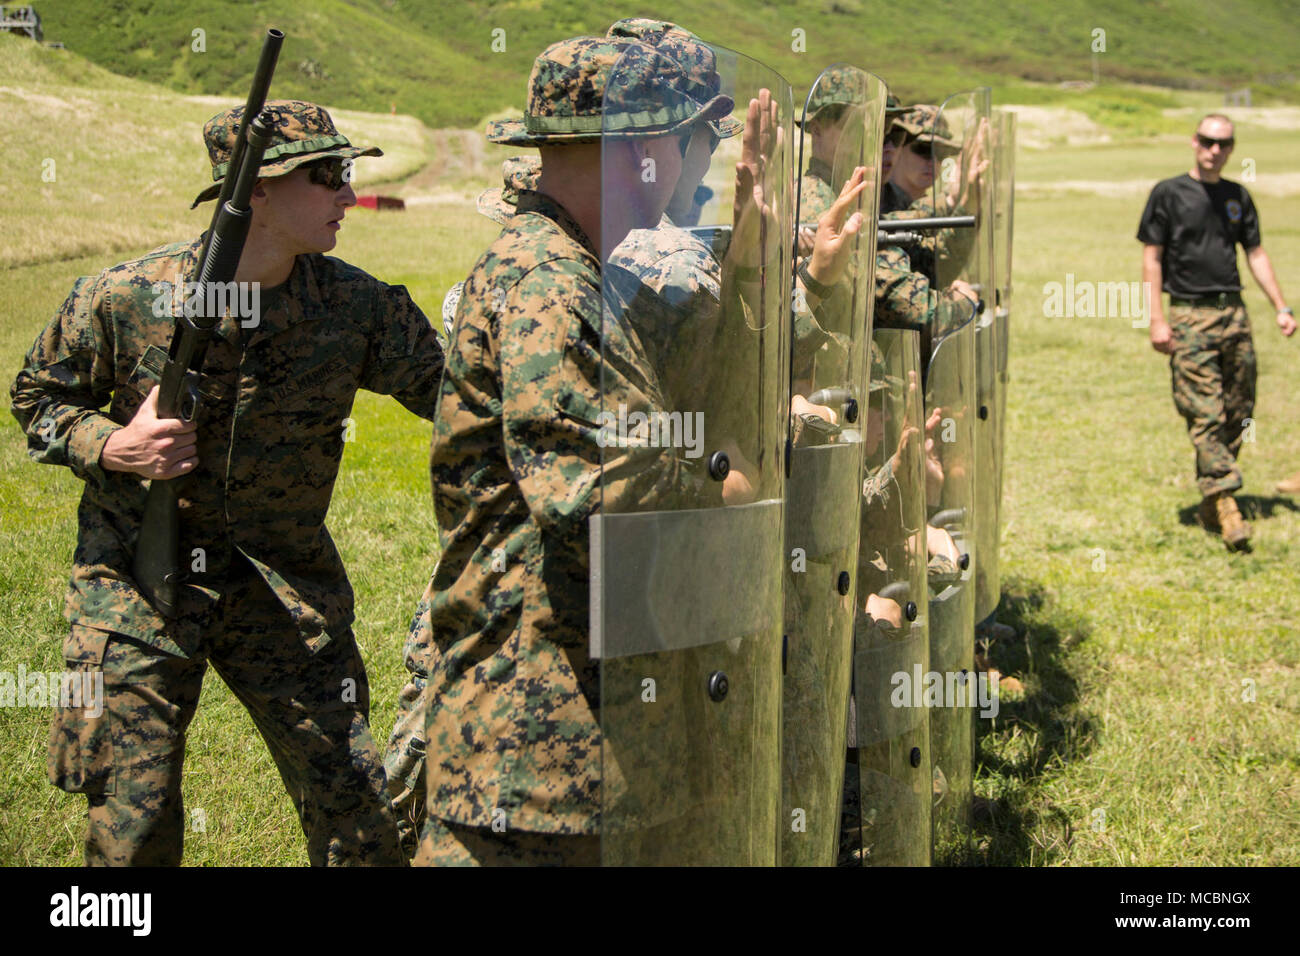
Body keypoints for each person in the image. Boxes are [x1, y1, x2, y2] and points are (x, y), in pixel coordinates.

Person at [10, 99, 445, 866]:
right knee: (132, 827)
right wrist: (115, 445)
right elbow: (36, 394)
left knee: (356, 808)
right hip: (140, 588)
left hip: (281, 587)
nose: (349, 195)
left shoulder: (355, 306)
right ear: (259, 194)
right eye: (328, 175)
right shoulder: (126, 298)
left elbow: (458, 396)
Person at [1139, 112, 1295, 548]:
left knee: (1240, 411)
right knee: (1204, 413)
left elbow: (1256, 254)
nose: (1215, 150)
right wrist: (1156, 318)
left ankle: (1211, 496)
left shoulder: (1237, 196)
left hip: (1235, 316)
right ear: (1194, 142)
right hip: (1189, 316)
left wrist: (1280, 307)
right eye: (1208, 141)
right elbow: (1152, 258)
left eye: (1224, 144)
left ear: (1231, 148)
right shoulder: (1168, 193)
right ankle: (1226, 503)